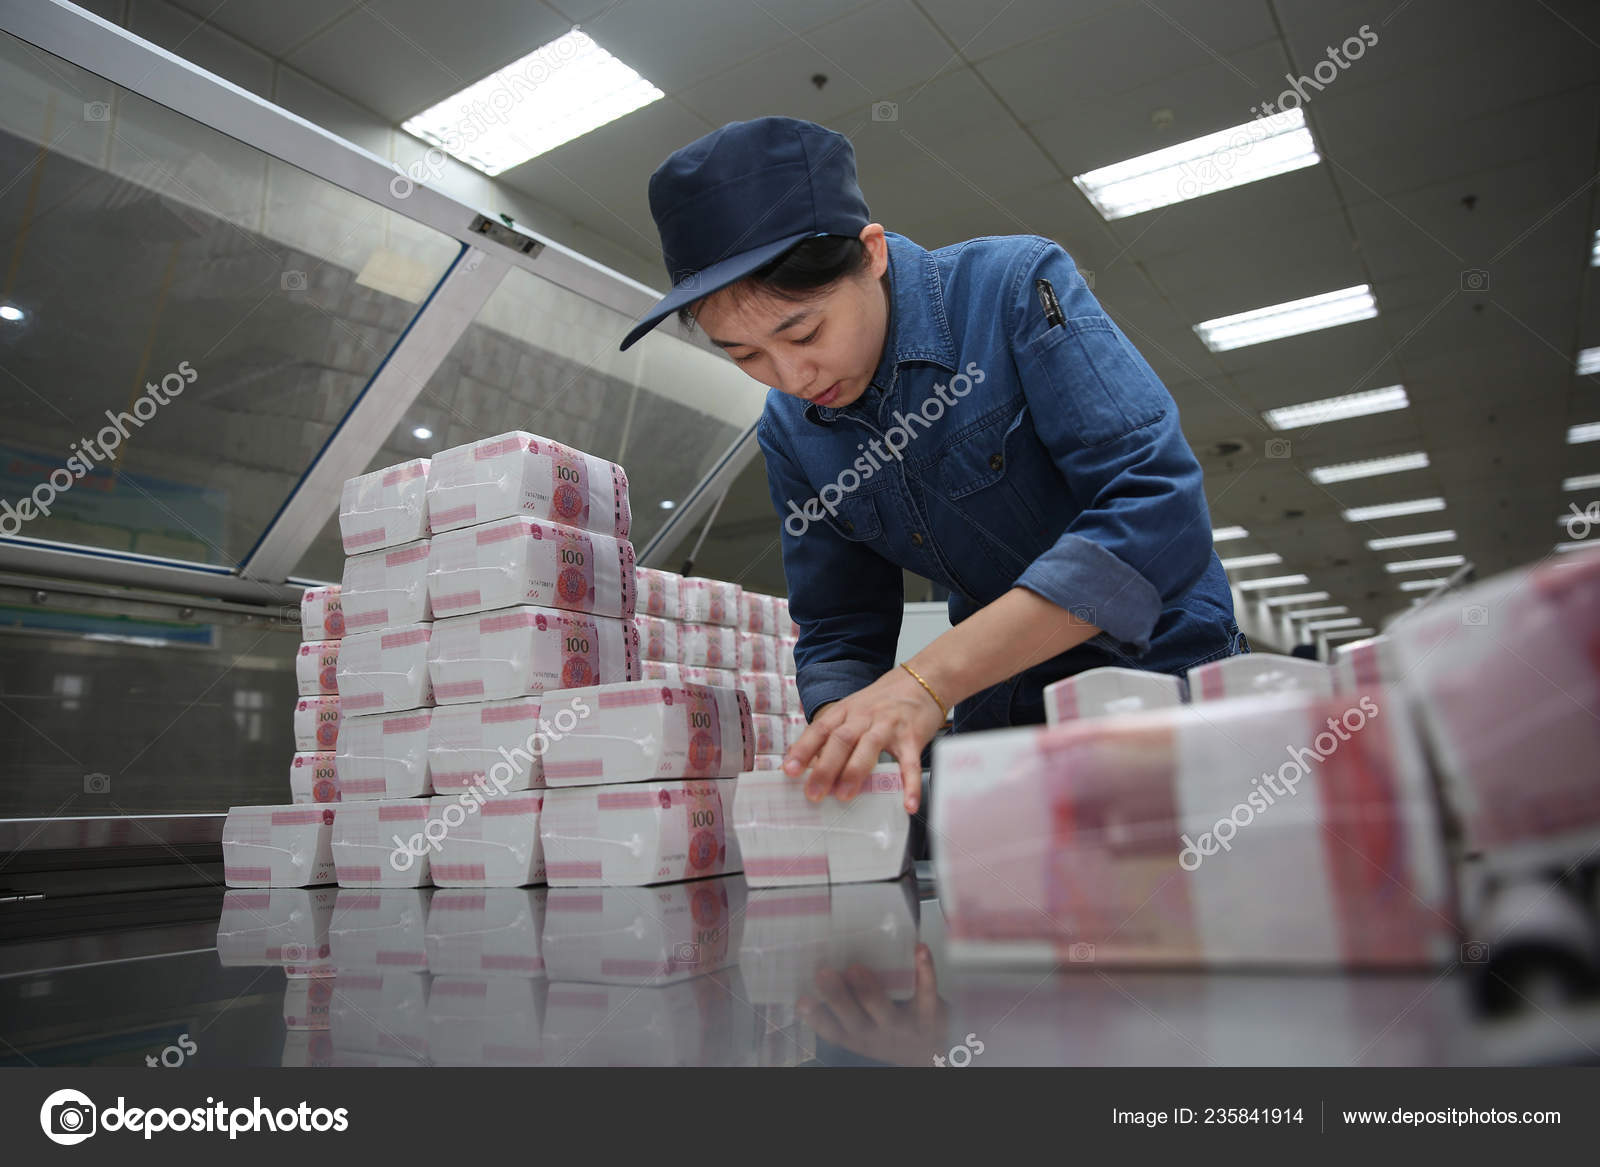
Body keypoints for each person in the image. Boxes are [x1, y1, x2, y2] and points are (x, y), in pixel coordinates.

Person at [619, 116, 1246, 816]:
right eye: (746, 356)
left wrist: (927, 680)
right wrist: (847, 730)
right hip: (1000, 711)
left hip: (1155, 676)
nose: (792, 375)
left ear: (872, 253)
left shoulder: (1013, 290)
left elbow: (1157, 513)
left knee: (1170, 902)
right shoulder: (792, 430)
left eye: (804, 331)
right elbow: (840, 623)